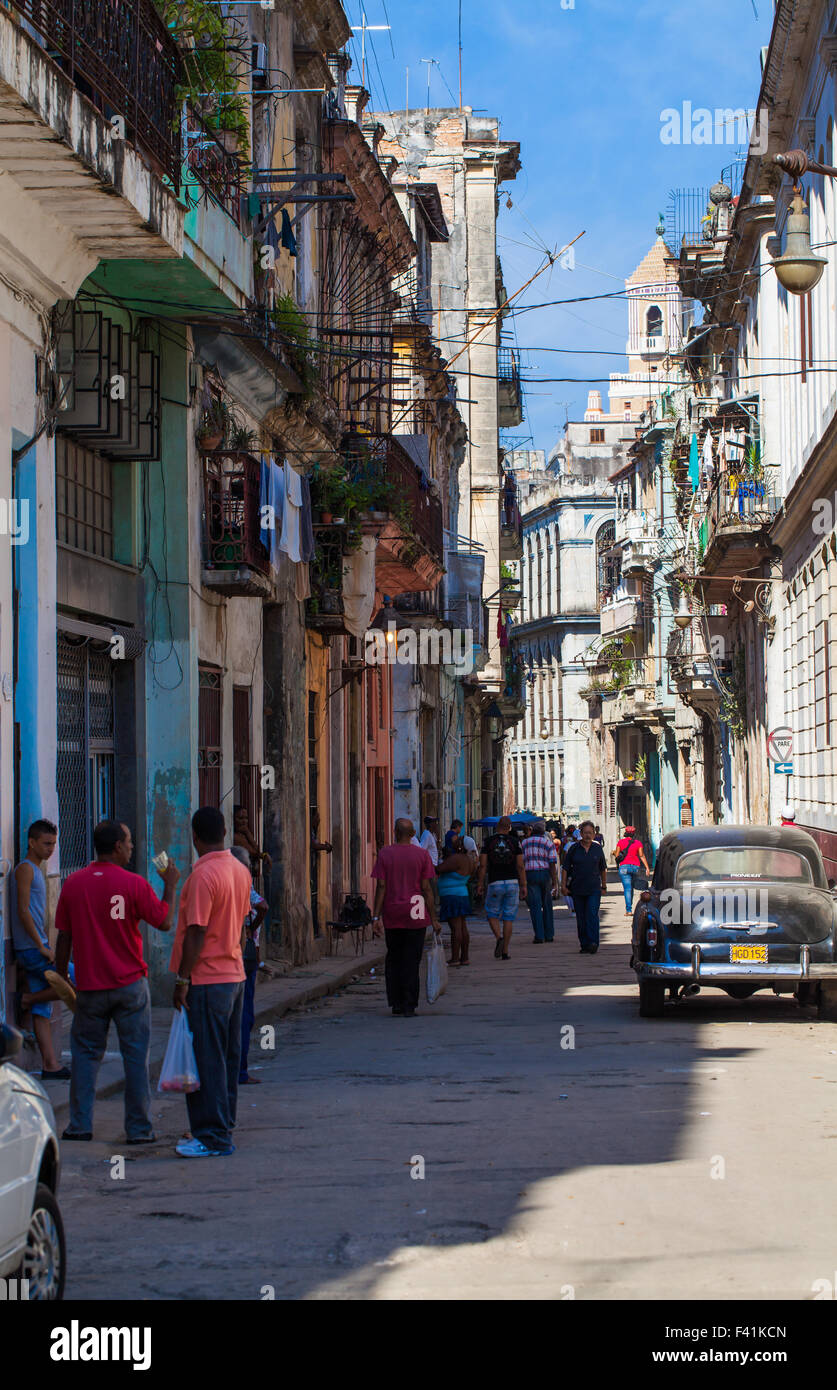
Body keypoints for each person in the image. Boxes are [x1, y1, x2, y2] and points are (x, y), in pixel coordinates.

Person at [54, 820, 179, 1142]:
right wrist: (171, 884)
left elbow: (64, 938)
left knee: (84, 1057)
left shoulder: (73, 884)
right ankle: (138, 1128)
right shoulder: (134, 884)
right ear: (118, 847)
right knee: (136, 1057)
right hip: (129, 985)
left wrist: (60, 977)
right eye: (129, 842)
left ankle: (79, 1125)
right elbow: (164, 922)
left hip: (90, 987)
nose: (132, 848)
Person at [170, 806, 251, 1158]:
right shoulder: (239, 868)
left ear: (195, 837)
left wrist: (182, 977)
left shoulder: (203, 876)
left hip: (208, 979)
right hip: (233, 974)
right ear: (225, 833)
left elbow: (196, 931)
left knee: (208, 1058)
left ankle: (213, 1135)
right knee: (227, 1057)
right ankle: (223, 1124)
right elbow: (245, 925)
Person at [10, 819, 70, 1080]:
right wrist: (41, 946)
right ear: (31, 842)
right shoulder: (25, 869)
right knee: (72, 982)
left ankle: (50, 1065)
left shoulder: (37, 869)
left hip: (40, 946)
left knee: (42, 1011)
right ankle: (27, 999)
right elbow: (23, 912)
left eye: (53, 844)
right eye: (46, 843)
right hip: (32, 949)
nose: (50, 849)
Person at [371, 818, 440, 1017]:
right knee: (412, 958)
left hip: (393, 910)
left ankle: (396, 1002)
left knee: (394, 958)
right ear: (413, 834)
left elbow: (381, 887)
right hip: (416, 911)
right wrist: (434, 918)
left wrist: (376, 918)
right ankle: (410, 1004)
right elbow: (426, 888)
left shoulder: (385, 854)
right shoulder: (422, 855)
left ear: (394, 832)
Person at [231, 846, 268, 1086]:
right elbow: (263, 906)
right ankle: (240, 1070)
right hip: (244, 953)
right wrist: (251, 928)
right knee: (244, 1013)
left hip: (225, 956)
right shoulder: (244, 883)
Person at [476, 816, 526, 961]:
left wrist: (480, 884)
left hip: (495, 882)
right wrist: (524, 885)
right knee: (508, 917)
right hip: (512, 882)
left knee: (492, 913)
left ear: (497, 826)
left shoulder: (488, 842)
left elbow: (483, 865)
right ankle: (505, 951)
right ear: (509, 827)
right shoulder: (515, 842)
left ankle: (499, 937)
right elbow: (520, 866)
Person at [562, 820, 608, 954]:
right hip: (577, 888)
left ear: (594, 834)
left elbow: (603, 869)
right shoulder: (573, 849)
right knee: (581, 917)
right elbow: (565, 868)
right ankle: (584, 943)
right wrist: (563, 886)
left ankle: (593, 942)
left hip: (594, 888)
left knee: (592, 915)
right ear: (580, 833)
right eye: (585, 833)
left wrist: (603, 886)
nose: (588, 835)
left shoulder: (597, 848)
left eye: (590, 833)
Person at [520, 820, 559, 943]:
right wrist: (554, 880)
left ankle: (539, 936)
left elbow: (521, 862)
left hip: (530, 874)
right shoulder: (548, 843)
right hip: (544, 873)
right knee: (547, 904)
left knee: (535, 905)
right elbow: (552, 862)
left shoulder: (524, 843)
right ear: (543, 832)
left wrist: (522, 881)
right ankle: (549, 934)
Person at [436, 836, 473, 966]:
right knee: (462, 926)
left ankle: (455, 958)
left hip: (452, 896)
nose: (455, 840)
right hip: (462, 894)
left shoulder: (456, 858)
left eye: (459, 839)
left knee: (455, 927)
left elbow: (438, 869)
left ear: (461, 845)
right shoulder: (468, 860)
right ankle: (465, 957)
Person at [614, 825, 651, 915]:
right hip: (635, 867)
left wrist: (614, 852)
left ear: (625, 833)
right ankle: (637, 905)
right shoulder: (638, 843)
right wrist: (647, 867)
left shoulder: (620, 842)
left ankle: (629, 910)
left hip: (624, 867)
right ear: (634, 834)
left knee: (627, 889)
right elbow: (641, 855)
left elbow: (617, 855)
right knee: (632, 887)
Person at [233, 805, 271, 878]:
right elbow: (255, 852)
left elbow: (257, 850)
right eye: (240, 818)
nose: (244, 821)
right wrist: (263, 855)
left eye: (246, 818)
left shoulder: (243, 835)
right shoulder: (235, 837)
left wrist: (247, 833)